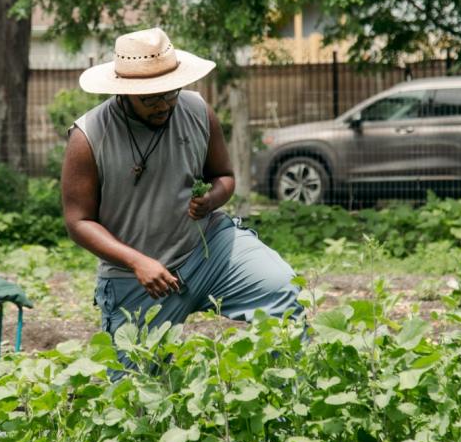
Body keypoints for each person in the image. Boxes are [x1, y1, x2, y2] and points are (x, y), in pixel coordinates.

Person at [62, 27, 302, 373]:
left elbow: (225, 176)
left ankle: (286, 409)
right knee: (134, 390)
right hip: (136, 276)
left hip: (208, 251)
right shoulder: (88, 137)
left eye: (170, 92)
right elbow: (78, 222)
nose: (164, 104)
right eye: (151, 98)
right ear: (126, 92)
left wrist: (212, 199)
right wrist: (136, 262)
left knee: (283, 289)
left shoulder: (196, 110)